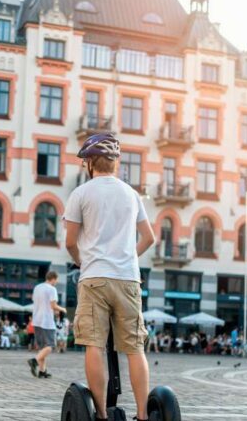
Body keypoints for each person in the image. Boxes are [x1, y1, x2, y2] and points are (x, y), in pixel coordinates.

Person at [64, 134, 156, 421]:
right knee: (134, 347)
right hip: (128, 279)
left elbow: (70, 242)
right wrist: (127, 258)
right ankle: (142, 415)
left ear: (90, 163)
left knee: (94, 344)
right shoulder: (131, 194)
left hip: (94, 278)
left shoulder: (81, 193)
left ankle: (101, 414)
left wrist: (83, 262)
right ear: (115, 163)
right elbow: (149, 237)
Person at [27, 271, 66, 378]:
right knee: (50, 346)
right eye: (57, 280)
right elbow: (53, 305)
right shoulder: (52, 289)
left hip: (36, 320)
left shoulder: (37, 287)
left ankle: (42, 371)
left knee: (42, 348)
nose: (57, 282)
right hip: (47, 322)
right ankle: (34, 360)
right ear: (53, 278)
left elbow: (36, 301)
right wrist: (63, 309)